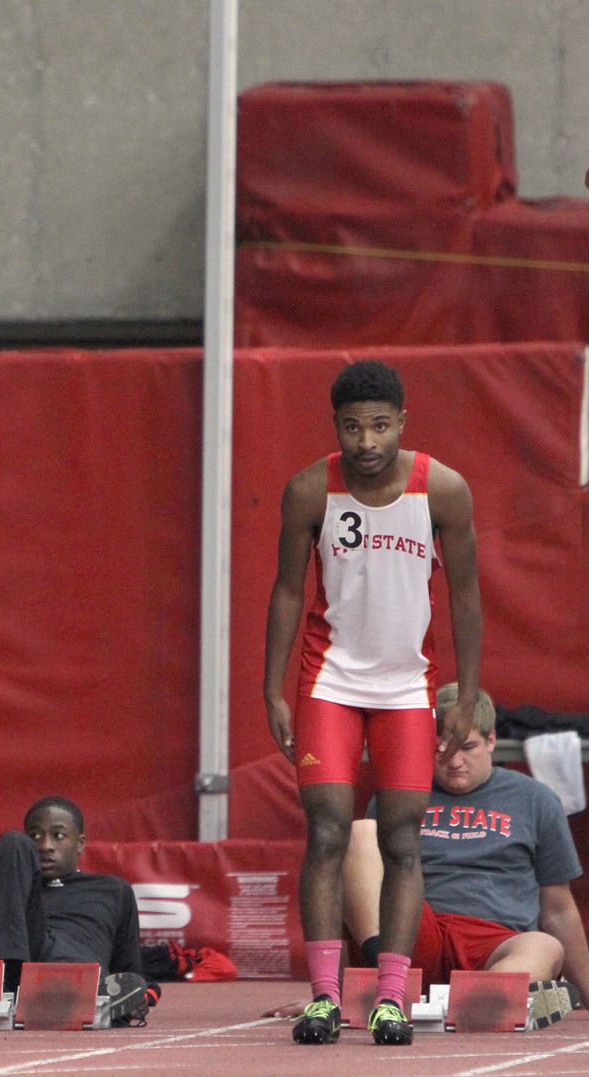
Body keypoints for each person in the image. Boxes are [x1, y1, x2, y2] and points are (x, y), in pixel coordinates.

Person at [264, 358, 482, 1046]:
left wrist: (468, 692)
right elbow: (288, 592)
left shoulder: (442, 489)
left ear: (402, 423)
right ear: (336, 426)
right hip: (329, 680)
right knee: (327, 831)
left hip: (406, 687)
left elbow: (467, 593)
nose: (367, 441)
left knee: (401, 838)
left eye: (380, 426)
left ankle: (391, 994)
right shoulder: (308, 490)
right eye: (353, 427)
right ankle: (325, 996)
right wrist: (272, 687)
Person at [343, 683, 588, 1024]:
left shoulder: (537, 799)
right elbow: (358, 894)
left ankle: (469, 1001)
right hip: (411, 931)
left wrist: (588, 991)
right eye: (441, 750)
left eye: (467, 747)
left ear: (491, 741)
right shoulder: (397, 797)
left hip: (494, 941)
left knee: (546, 947)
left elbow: (559, 909)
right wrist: (328, 989)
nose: (455, 762)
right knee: (360, 833)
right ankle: (380, 978)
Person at [0, 796, 154, 1024]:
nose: (45, 845)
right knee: (11, 842)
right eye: (35, 836)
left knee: (110, 978)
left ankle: (85, 998)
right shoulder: (20, 885)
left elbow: (127, 968)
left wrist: (139, 995)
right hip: (23, 969)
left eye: (58, 835)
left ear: (80, 843)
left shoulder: (114, 889)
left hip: (79, 971)